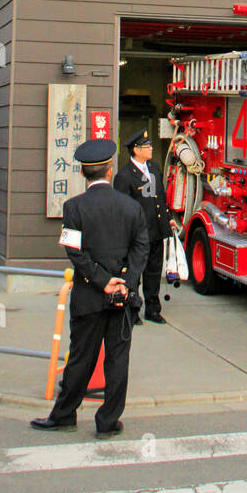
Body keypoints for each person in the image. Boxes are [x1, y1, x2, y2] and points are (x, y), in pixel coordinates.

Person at [31, 138, 148, 439]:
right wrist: (125, 281)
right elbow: (141, 247)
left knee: (81, 357)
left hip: (88, 295)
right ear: (110, 170)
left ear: (83, 173)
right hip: (123, 296)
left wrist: (101, 279)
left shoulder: (73, 207)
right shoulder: (131, 206)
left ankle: (64, 415)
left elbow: (74, 251)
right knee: (117, 360)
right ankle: (108, 422)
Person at [113, 129, 178, 324]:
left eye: (150, 145)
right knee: (134, 272)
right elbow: (122, 209)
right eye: (146, 146)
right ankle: (132, 309)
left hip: (156, 229)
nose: (150, 148)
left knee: (154, 272)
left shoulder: (153, 167)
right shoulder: (125, 176)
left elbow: (160, 197)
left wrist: (167, 218)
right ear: (136, 150)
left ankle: (153, 309)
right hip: (138, 233)